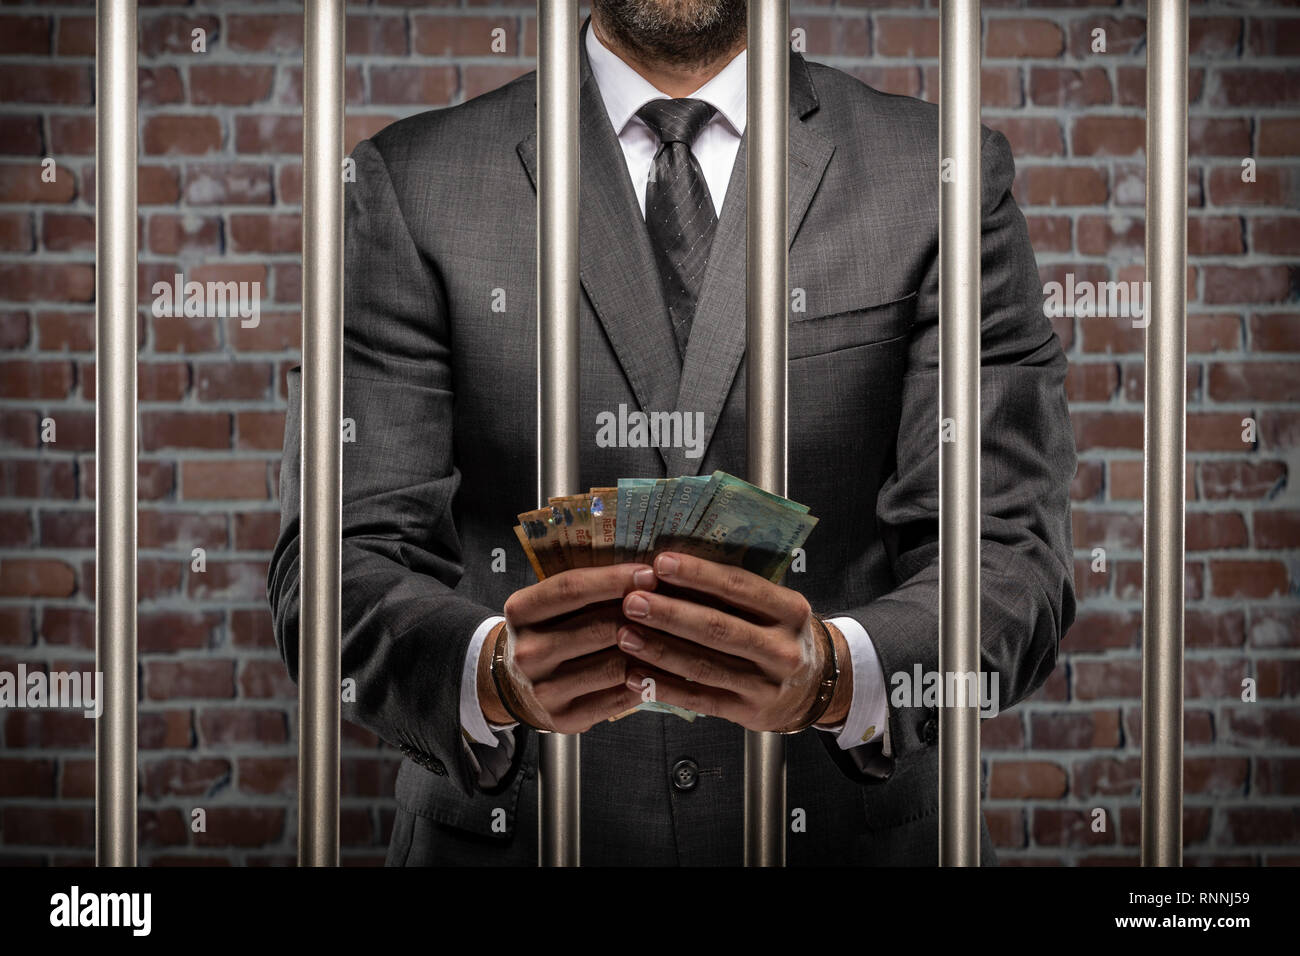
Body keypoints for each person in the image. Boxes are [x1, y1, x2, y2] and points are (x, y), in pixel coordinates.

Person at [268, 0, 1077, 866]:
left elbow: (1007, 552)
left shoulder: (937, 172)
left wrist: (836, 675)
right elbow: (335, 564)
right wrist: (492, 675)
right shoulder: (415, 181)